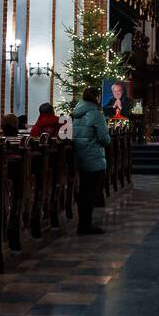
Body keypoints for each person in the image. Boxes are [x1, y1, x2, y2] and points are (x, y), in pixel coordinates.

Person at [72, 87, 110, 234]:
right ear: (96, 97)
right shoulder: (96, 114)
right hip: (93, 158)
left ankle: (83, 224)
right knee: (90, 193)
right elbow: (104, 138)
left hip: (80, 155)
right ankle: (85, 225)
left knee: (83, 191)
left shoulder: (76, 112)